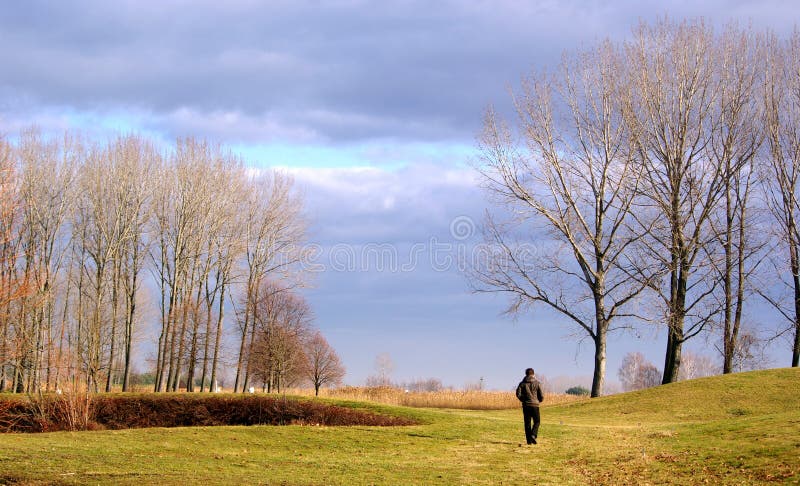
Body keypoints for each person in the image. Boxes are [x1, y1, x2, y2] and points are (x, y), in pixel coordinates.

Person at [515, 367, 544, 444]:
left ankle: (529, 441)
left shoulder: (522, 383)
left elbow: (518, 394)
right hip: (535, 405)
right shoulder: (537, 383)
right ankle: (533, 435)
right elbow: (541, 395)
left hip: (526, 405)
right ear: (533, 374)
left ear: (526, 374)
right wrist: (540, 400)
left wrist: (523, 400)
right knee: (537, 421)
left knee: (527, 423)